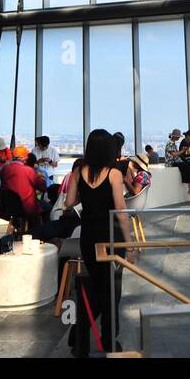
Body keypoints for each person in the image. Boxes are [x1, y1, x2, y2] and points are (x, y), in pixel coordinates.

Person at [63, 129, 136, 354]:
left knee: (94, 285)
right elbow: (121, 211)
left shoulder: (78, 171)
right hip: (110, 237)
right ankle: (106, 340)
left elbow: (69, 202)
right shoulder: (114, 173)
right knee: (111, 291)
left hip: (88, 237)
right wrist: (130, 244)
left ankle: (80, 333)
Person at [0, 145, 46, 232]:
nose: (26, 159)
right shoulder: (28, 171)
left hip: (8, 206)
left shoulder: (4, 169)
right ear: (21, 158)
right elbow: (43, 187)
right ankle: (38, 234)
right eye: (25, 157)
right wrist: (41, 177)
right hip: (27, 207)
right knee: (47, 208)